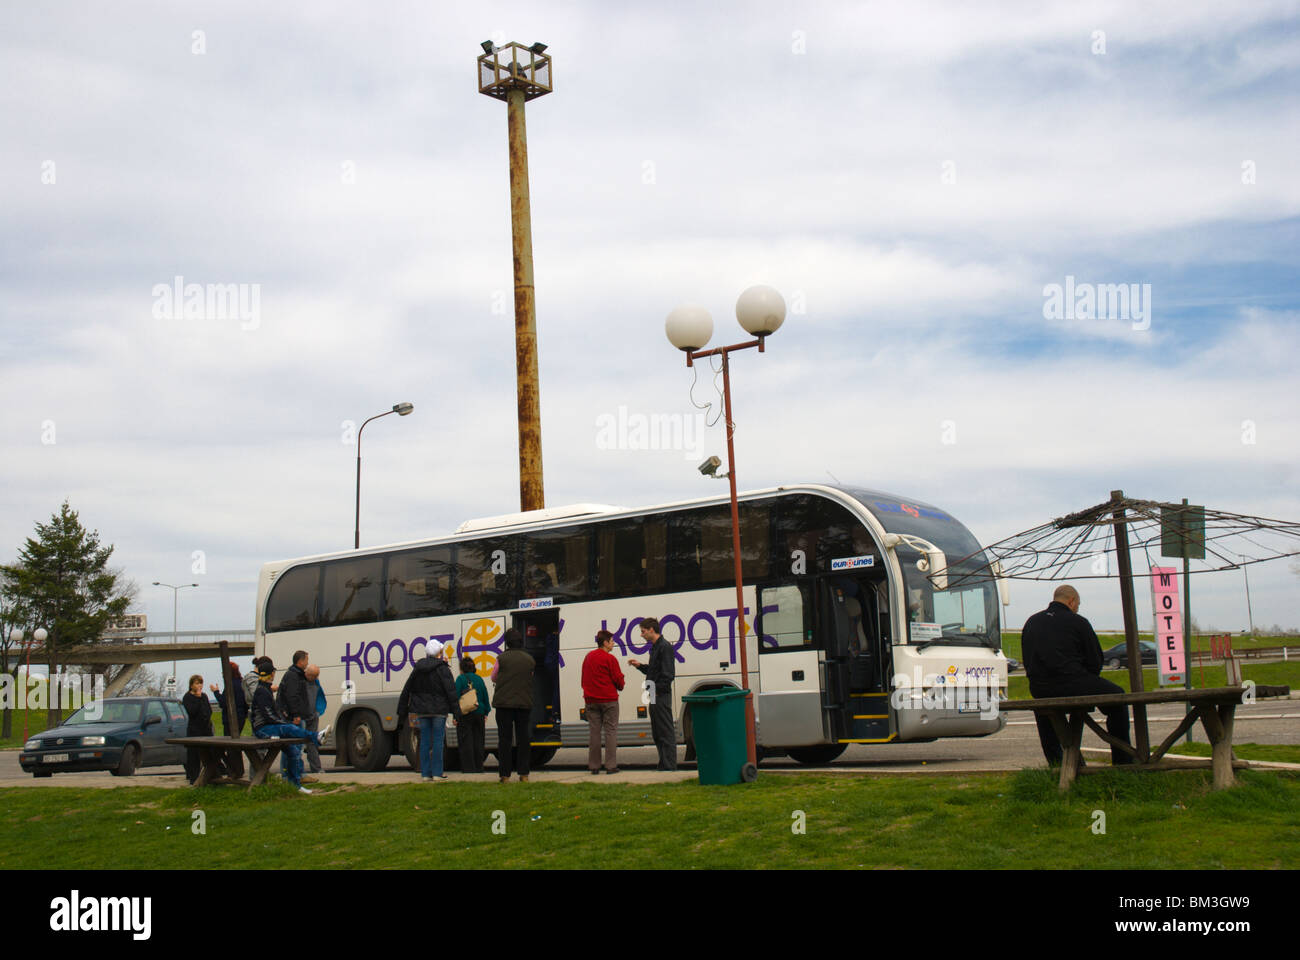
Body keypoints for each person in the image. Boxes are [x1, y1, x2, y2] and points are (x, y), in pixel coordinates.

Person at [1021, 584, 1134, 766]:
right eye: (1078, 604)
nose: (1077, 608)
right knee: (1118, 698)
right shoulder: (1078, 622)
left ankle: (1057, 765)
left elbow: (1027, 659)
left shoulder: (1032, 622)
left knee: (1046, 713)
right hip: (1074, 683)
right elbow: (1095, 660)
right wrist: (1086, 678)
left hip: (1040, 688)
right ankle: (1123, 761)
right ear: (1071, 601)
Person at [249, 656, 331, 794]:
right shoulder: (262, 691)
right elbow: (267, 715)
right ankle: (316, 737)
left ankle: (295, 785)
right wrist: (282, 723)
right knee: (289, 728)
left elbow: (271, 713)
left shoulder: (265, 689)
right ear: (271, 674)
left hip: (268, 726)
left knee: (293, 751)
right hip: (263, 729)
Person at [396, 640, 462, 782]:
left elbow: (407, 689)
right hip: (439, 710)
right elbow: (451, 692)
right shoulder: (443, 669)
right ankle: (437, 772)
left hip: (422, 710)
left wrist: (402, 709)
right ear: (439, 652)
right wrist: (457, 713)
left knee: (425, 740)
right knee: (438, 741)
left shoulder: (418, 668)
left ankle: (425, 773)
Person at [629, 617, 677, 770]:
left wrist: (656, 691)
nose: (642, 635)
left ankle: (669, 765)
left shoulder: (664, 647)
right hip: (654, 693)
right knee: (657, 731)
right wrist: (640, 666)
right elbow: (654, 670)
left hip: (659, 695)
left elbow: (668, 675)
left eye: (643, 632)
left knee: (665, 731)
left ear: (651, 630)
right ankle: (664, 763)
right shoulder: (656, 647)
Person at [492, 628, 535, 782]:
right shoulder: (530, 659)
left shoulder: (501, 658)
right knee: (524, 738)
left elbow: (494, 676)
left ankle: (505, 774)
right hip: (524, 703)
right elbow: (530, 677)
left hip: (504, 704)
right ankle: (524, 773)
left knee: (505, 739)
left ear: (507, 642)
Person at [582, 629, 625, 774]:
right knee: (610, 732)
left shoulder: (588, 657)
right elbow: (618, 681)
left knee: (594, 733)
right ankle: (610, 766)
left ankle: (594, 766)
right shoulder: (610, 659)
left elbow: (584, 679)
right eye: (612, 641)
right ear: (605, 643)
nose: (613, 644)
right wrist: (621, 684)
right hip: (609, 700)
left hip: (591, 700)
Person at [210, 662, 248, 779]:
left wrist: (216, 692)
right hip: (241, 717)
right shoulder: (241, 684)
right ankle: (239, 770)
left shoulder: (230, 685)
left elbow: (223, 702)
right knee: (236, 745)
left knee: (230, 746)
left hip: (230, 719)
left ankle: (233, 771)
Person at [454, 656, 491, 773]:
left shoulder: (460, 679)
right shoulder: (480, 679)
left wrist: (456, 715)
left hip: (465, 714)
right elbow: (485, 696)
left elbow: (455, 698)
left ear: (462, 668)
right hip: (479, 713)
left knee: (466, 741)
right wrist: (486, 712)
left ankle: (468, 767)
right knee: (479, 740)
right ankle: (479, 766)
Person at [181, 674, 213, 784]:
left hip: (205, 728)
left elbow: (208, 710)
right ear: (191, 685)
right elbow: (192, 711)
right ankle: (193, 777)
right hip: (194, 729)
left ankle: (210, 775)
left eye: (200, 683)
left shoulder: (204, 696)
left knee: (209, 753)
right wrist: (198, 699)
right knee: (193, 754)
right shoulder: (187, 697)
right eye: (197, 683)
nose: (199, 685)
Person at [302, 663, 326, 779]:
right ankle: (296, 770)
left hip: (312, 715)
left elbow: (319, 696)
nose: (315, 678)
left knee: (312, 742)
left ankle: (316, 768)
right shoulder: (300, 681)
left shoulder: (315, 682)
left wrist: (317, 712)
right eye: (313, 676)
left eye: (316, 676)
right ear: (307, 674)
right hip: (302, 716)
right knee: (296, 743)